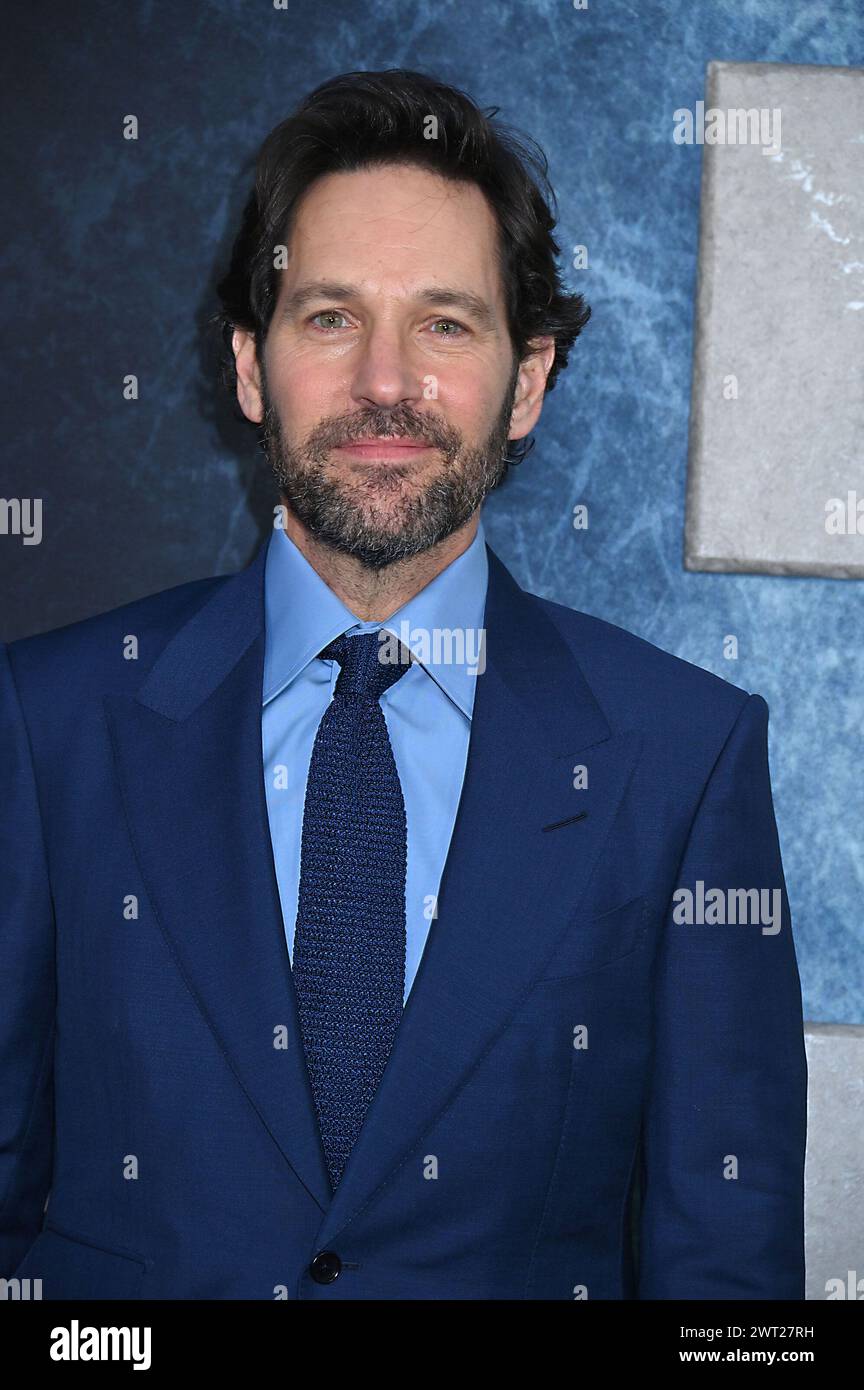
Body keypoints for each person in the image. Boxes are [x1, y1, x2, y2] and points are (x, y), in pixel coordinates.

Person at [0, 68, 806, 1300]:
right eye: (329, 317)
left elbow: (729, 1289)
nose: (386, 382)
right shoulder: (49, 724)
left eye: (444, 322)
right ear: (251, 366)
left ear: (526, 380)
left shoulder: (683, 756)